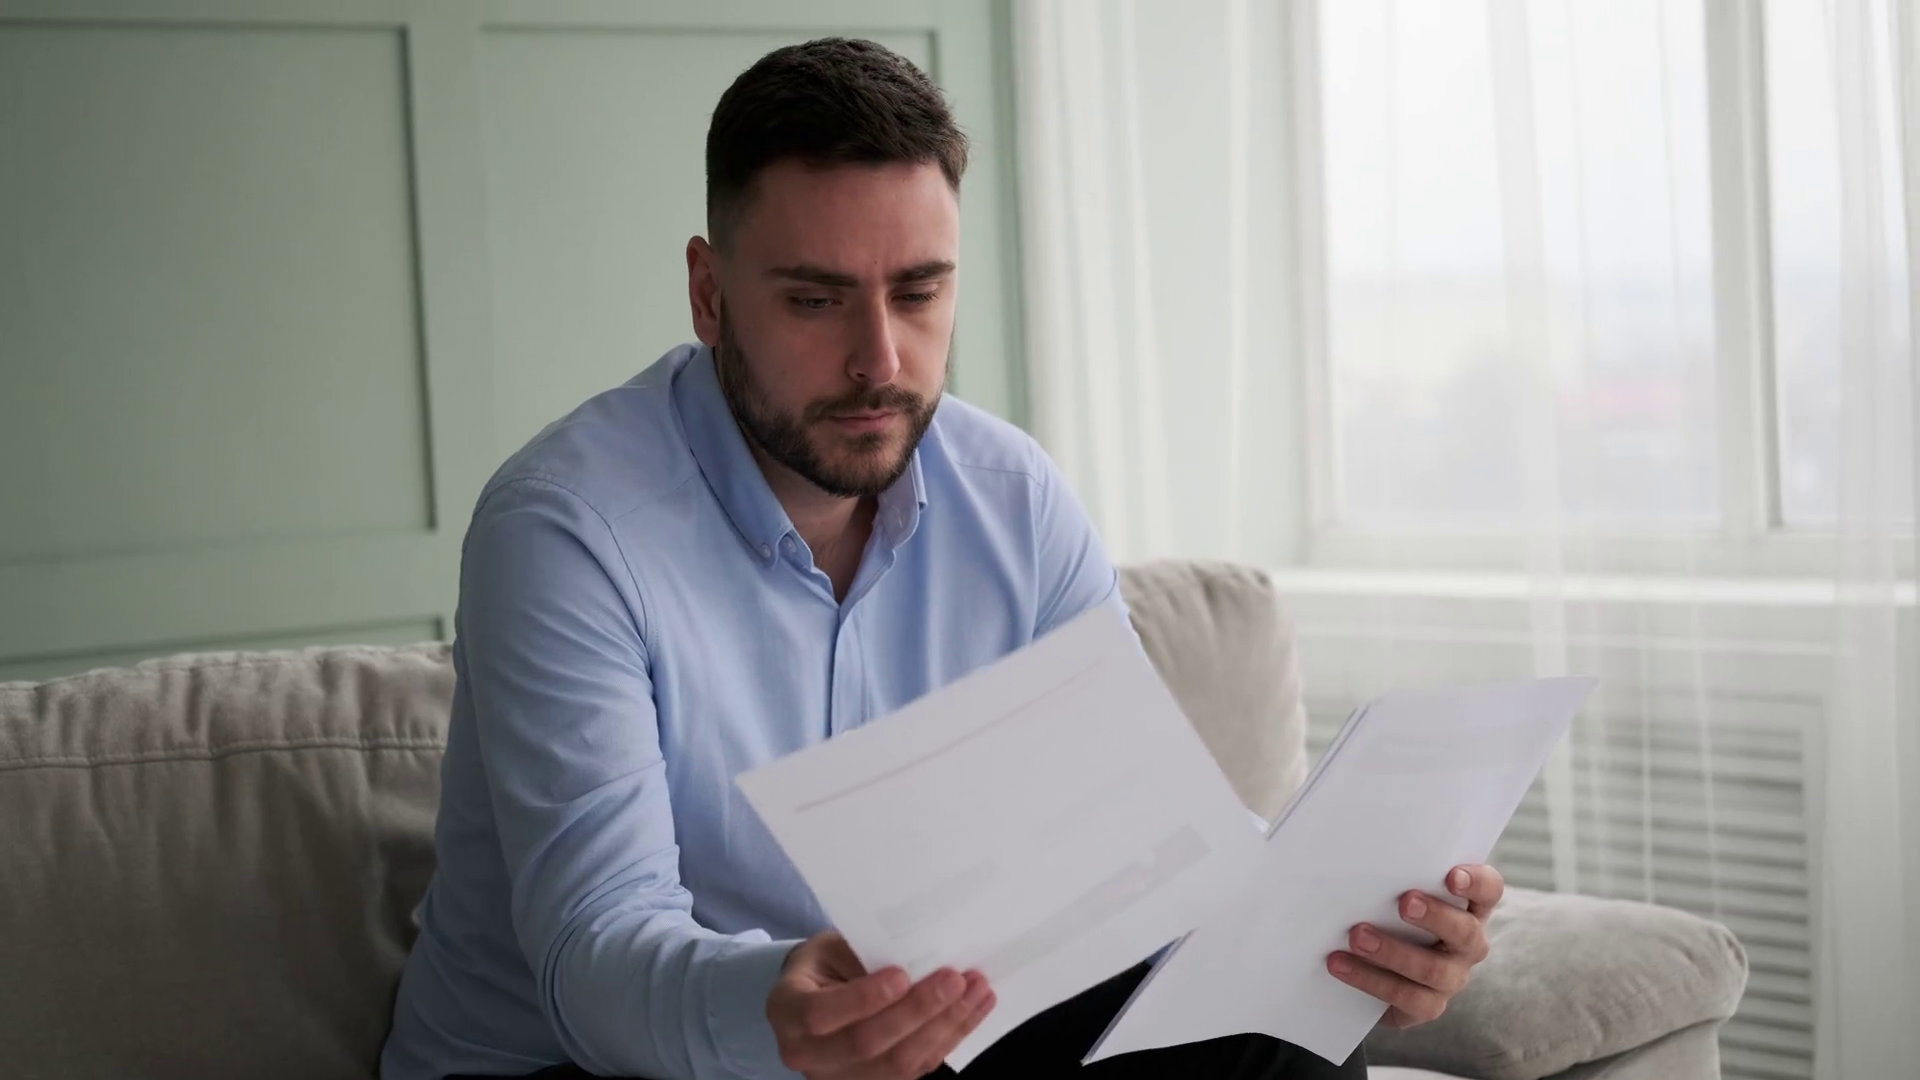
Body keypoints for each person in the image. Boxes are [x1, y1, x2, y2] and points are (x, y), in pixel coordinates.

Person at [381, 37, 1502, 1080]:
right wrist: (776, 1003)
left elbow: (1150, 842)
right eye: (817, 300)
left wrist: (1352, 925)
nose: (881, 360)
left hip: (915, 1031)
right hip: (577, 1062)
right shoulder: (566, 530)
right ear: (711, 296)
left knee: (1281, 1031)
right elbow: (594, 956)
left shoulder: (1012, 500)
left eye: (919, 293)